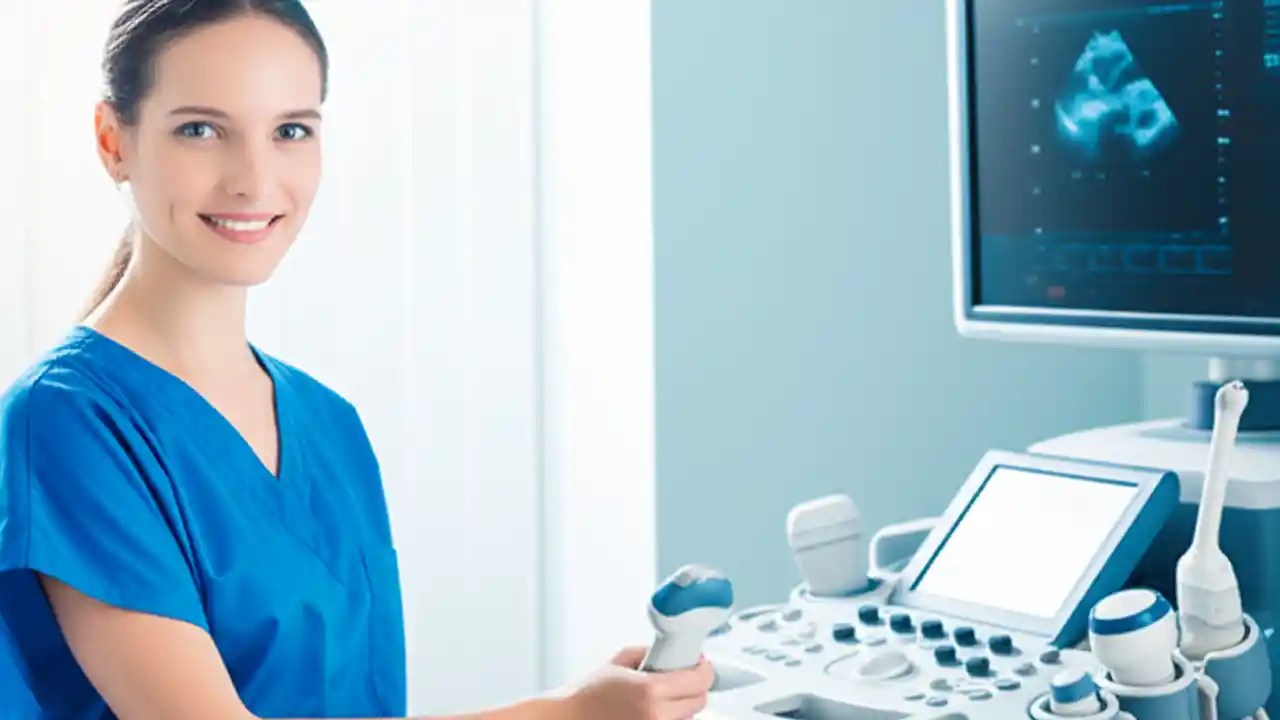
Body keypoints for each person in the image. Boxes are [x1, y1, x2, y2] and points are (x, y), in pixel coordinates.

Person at [0, 1, 715, 718]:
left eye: (290, 131)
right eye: (200, 129)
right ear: (111, 141)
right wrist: (570, 713)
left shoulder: (325, 423)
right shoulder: (68, 421)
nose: (253, 178)